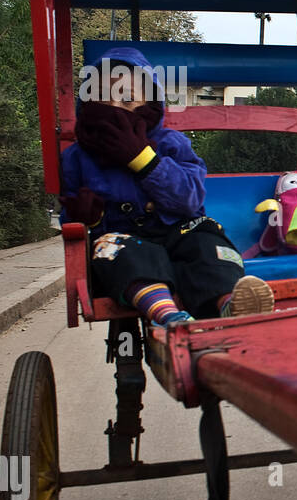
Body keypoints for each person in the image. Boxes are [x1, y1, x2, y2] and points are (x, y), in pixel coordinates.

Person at [60, 46, 274, 326]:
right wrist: (90, 217)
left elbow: (189, 199)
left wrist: (143, 159)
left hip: (179, 231)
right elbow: (71, 217)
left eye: (127, 98)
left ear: (150, 105)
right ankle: (169, 316)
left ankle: (230, 305)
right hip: (122, 238)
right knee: (115, 249)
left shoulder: (171, 143)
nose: (113, 107)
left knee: (207, 241)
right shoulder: (78, 156)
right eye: (102, 97)